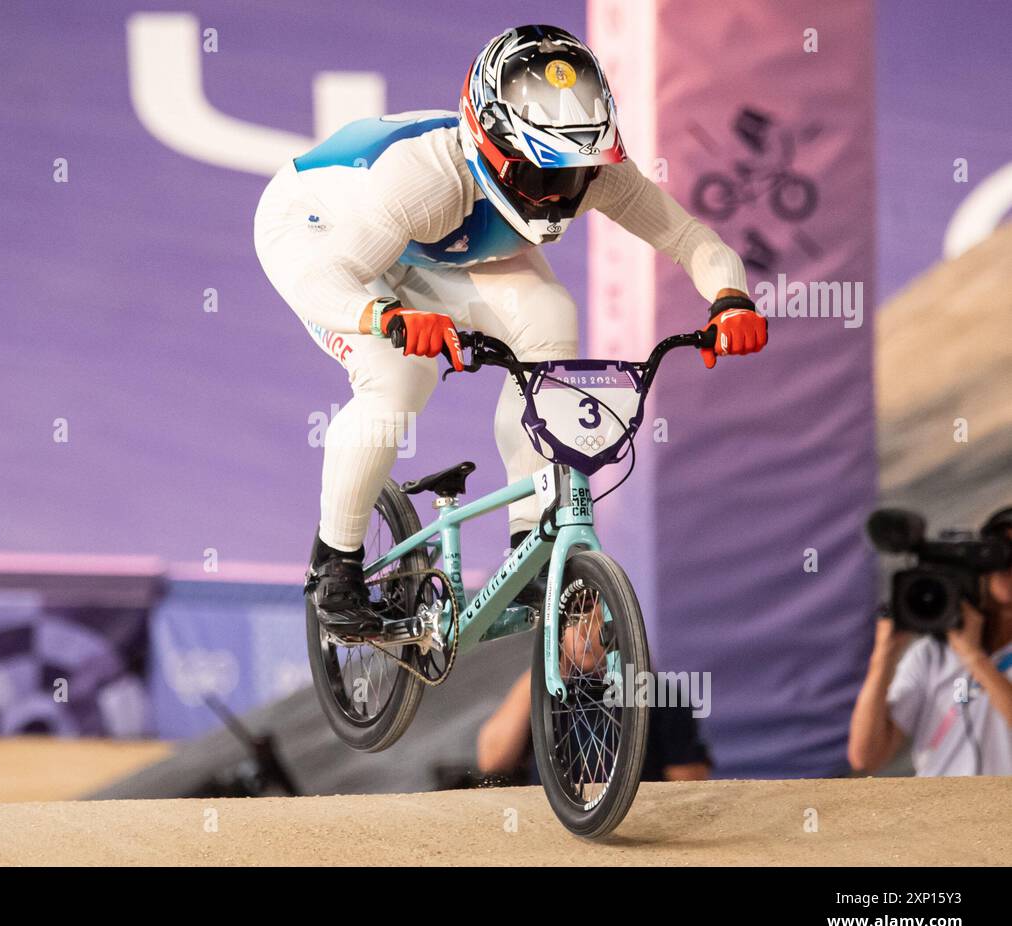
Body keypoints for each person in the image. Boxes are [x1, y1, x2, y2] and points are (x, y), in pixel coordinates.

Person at [254, 24, 768, 636]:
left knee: (551, 325)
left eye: (572, 177)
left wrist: (731, 299)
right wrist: (386, 316)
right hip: (318, 232)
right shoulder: (421, 181)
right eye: (540, 176)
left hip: (440, 244)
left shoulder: (591, 168)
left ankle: (531, 539)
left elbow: (688, 239)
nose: (556, 200)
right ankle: (334, 566)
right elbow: (326, 274)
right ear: (488, 145)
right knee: (399, 377)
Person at [848, 509, 1012, 776]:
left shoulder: (964, 652)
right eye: (1004, 552)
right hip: (939, 815)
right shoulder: (930, 656)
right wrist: (883, 656)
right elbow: (865, 759)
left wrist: (974, 658)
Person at [477, 669, 712, 783]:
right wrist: (538, 674)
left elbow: (687, 781)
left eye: (600, 619)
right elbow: (491, 760)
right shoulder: (541, 693)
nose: (585, 630)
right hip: (549, 831)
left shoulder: (658, 694)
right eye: (576, 619)